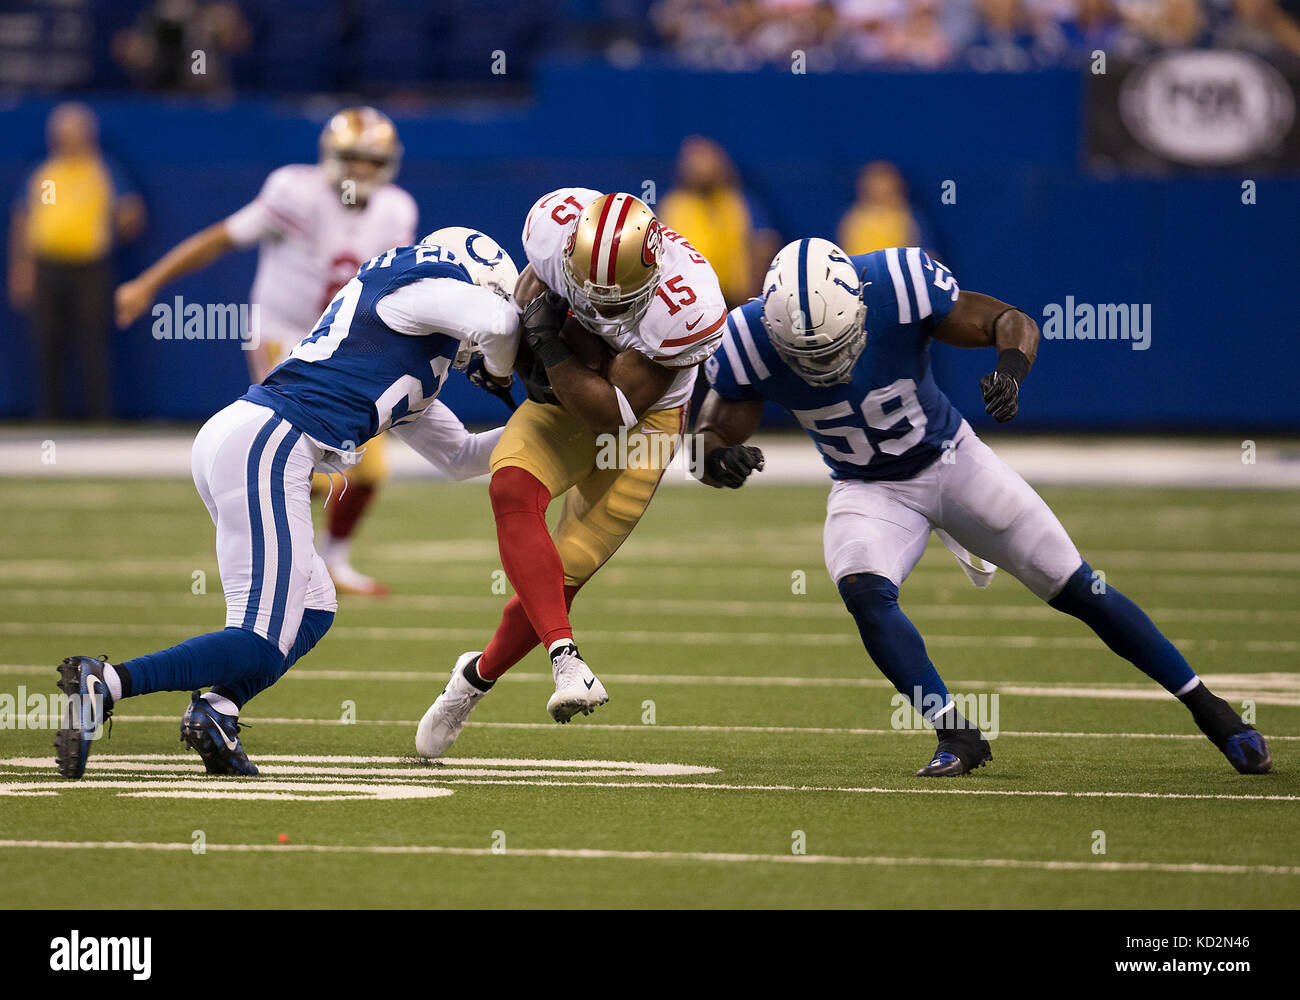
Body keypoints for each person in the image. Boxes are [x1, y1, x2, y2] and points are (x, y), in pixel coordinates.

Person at [693, 238, 1271, 777]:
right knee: (863, 591)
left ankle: (1210, 709)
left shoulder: (897, 283)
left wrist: (1010, 372)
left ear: (861, 309)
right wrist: (720, 460)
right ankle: (958, 734)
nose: (824, 364)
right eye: (804, 355)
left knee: (1079, 588)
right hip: (868, 487)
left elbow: (1009, 321)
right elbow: (712, 432)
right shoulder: (746, 341)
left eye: (836, 346)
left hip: (953, 461)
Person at [55, 227, 520, 779]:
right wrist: (509, 367)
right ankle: (106, 682)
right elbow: (499, 324)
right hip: (272, 442)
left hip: (255, 440)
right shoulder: (415, 286)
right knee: (257, 639)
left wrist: (545, 431)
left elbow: (462, 457)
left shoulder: (414, 352)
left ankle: (217, 711)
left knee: (314, 606)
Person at [414, 188, 727, 758]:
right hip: (573, 386)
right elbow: (533, 288)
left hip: (641, 421)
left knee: (563, 575)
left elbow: (608, 414)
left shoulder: (688, 307)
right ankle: (567, 659)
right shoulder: (555, 228)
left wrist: (543, 338)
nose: (600, 305)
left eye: (616, 299)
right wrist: (508, 355)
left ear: (651, 274)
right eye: (587, 289)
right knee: (511, 486)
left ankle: (473, 680)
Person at [116, 107, 414, 595]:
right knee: (300, 457)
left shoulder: (395, 209)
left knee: (369, 468)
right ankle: (273, 558)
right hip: (285, 335)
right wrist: (150, 282)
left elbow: (397, 286)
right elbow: (219, 240)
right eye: (353, 159)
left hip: (347, 342)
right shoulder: (293, 192)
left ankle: (331, 561)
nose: (361, 171)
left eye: (370, 161)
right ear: (332, 157)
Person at [8, 103, 146, 420]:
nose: (69, 139)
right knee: (46, 343)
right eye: (63, 133)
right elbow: (24, 220)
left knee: (92, 342)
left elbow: (131, 213)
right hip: (47, 267)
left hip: (90, 268)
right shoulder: (45, 173)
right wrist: (21, 267)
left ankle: (99, 418)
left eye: (75, 132)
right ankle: (49, 418)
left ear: (88, 135)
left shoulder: (103, 170)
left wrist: (120, 224)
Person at [657, 135, 780, 308]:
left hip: (735, 300)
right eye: (693, 160)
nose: (700, 167)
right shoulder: (673, 206)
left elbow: (764, 243)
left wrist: (753, 293)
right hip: (690, 302)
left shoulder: (739, 203)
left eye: (705, 159)